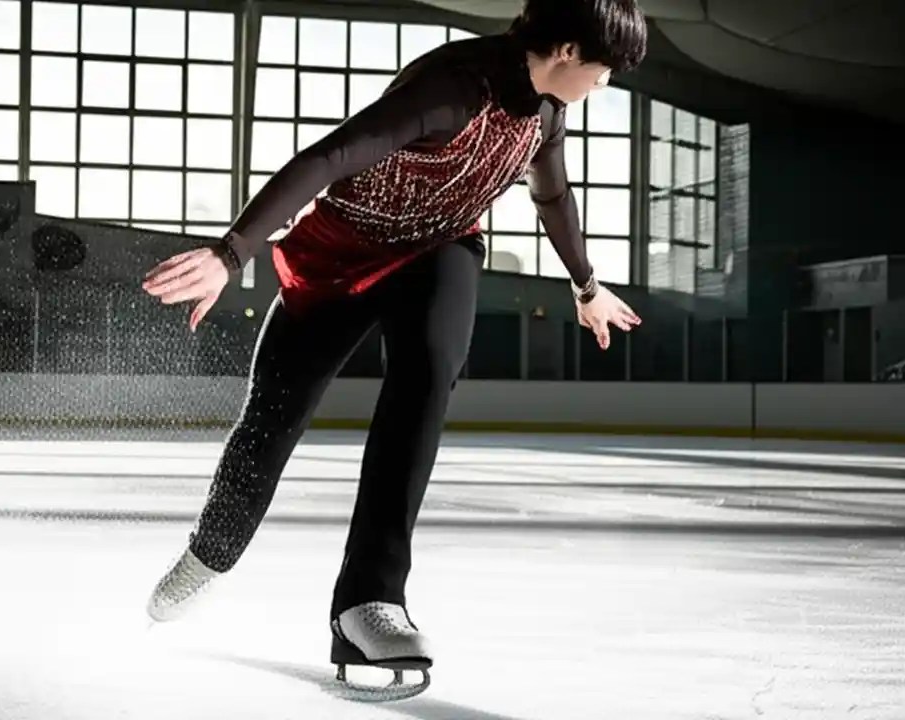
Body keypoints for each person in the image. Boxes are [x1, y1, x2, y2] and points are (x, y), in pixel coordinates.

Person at [141, 0, 647, 695]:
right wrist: (232, 253)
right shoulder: (455, 87)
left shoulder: (547, 114)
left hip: (439, 250)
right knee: (271, 419)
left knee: (430, 374)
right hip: (341, 255)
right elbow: (332, 156)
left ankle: (368, 601)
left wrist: (587, 285)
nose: (605, 85)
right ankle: (210, 553)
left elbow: (553, 195)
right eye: (606, 69)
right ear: (565, 50)